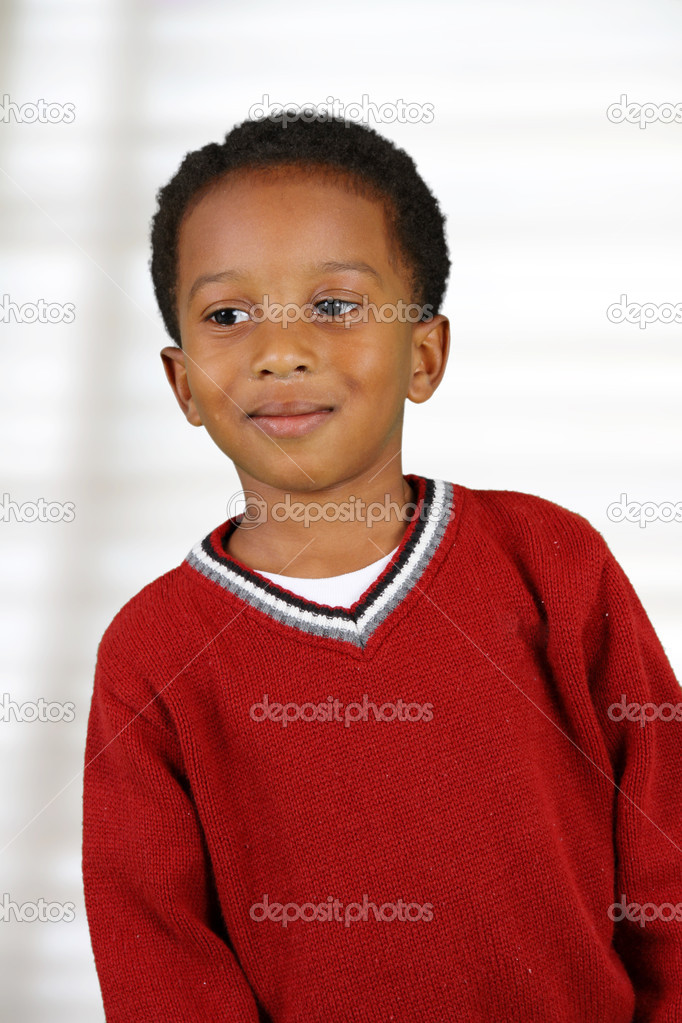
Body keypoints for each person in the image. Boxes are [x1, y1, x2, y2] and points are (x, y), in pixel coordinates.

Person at [82, 110, 682, 1022]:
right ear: (182, 383)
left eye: (334, 305)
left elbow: (664, 842)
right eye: (228, 314)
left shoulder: (552, 562)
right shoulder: (152, 650)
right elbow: (157, 952)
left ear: (425, 354)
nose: (280, 351)